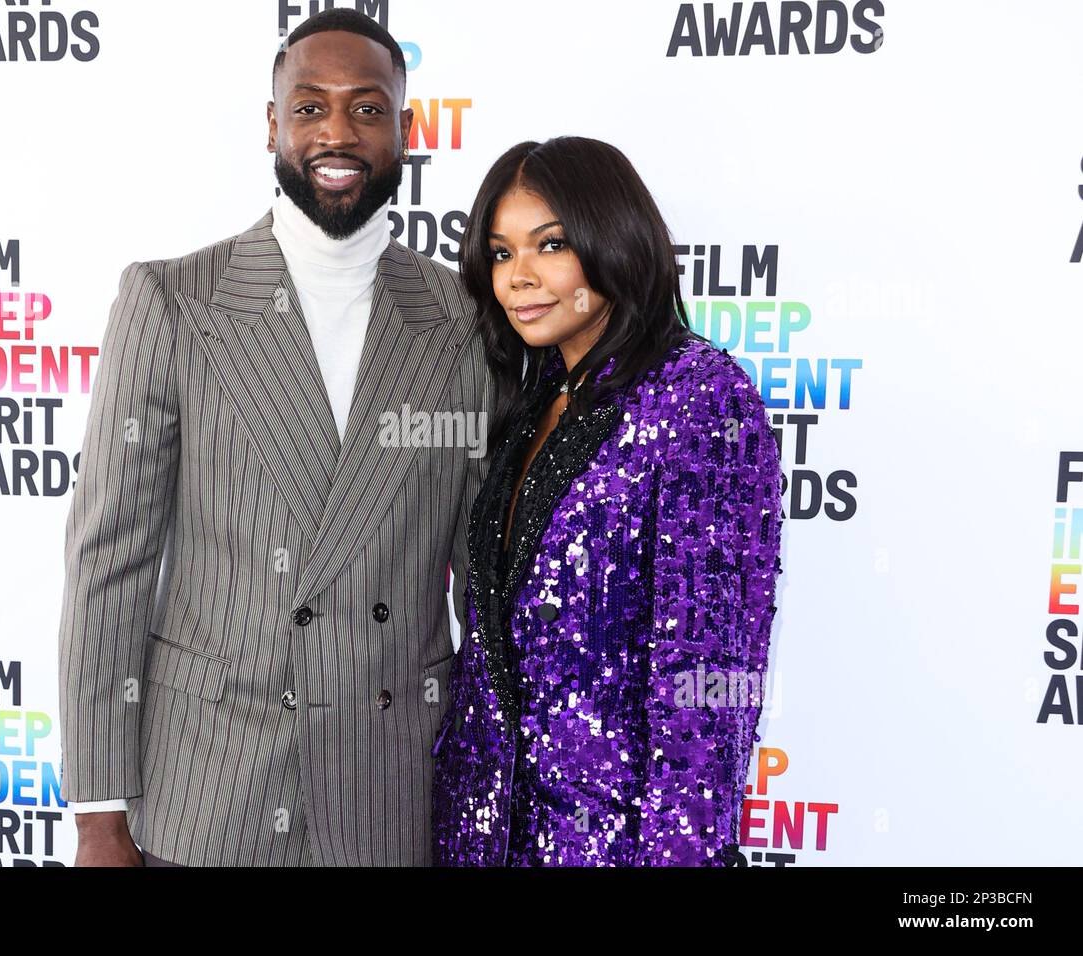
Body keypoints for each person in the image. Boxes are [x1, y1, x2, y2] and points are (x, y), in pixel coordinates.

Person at [58, 8, 490, 866]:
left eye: (367, 109)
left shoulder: (464, 319)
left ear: (405, 130)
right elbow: (109, 563)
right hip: (212, 789)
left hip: (390, 790)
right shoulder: (173, 302)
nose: (338, 131)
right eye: (310, 107)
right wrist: (100, 819)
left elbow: (483, 575)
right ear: (272, 125)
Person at [430, 136, 784, 866]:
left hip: (608, 846)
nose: (518, 278)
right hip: (482, 835)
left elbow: (705, 690)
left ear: (613, 241)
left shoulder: (700, 399)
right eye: (500, 254)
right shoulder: (535, 401)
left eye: (548, 245)